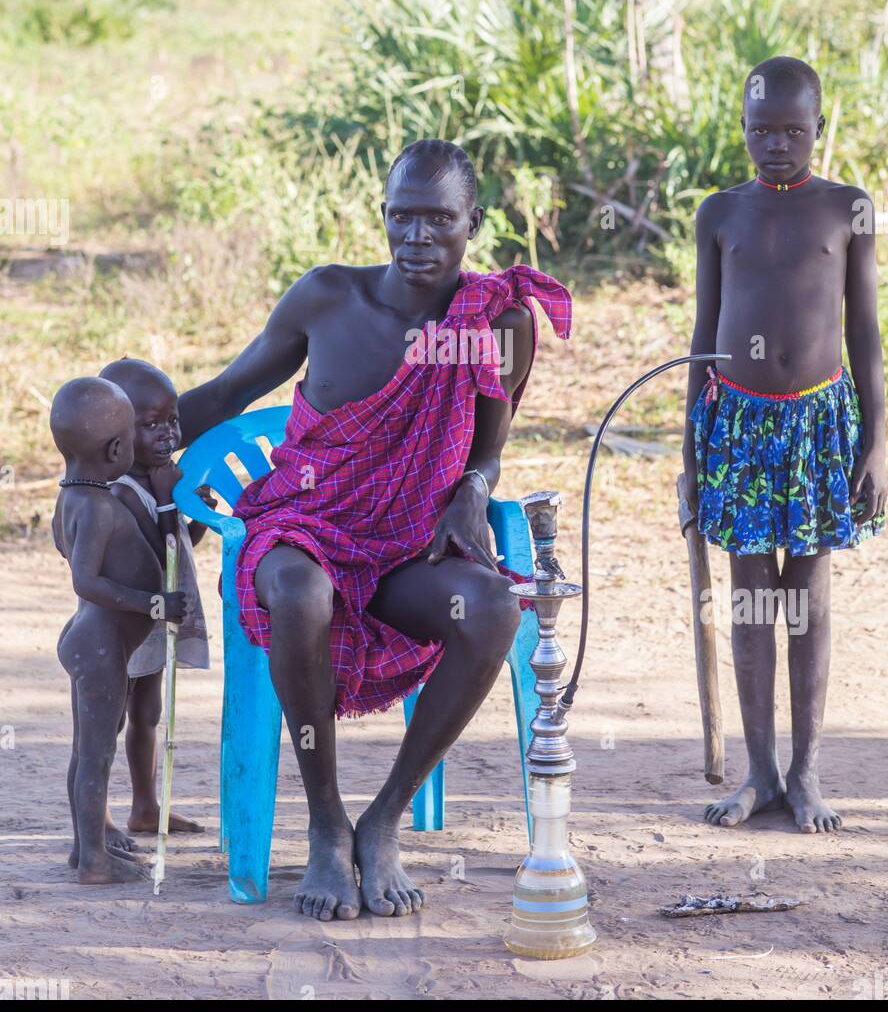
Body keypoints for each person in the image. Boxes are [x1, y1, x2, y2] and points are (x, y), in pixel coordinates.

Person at [178, 138, 571, 919]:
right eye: (403, 217)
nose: (418, 237)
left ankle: (382, 816)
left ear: (474, 222)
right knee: (297, 589)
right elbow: (225, 393)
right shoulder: (328, 299)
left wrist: (474, 488)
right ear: (382, 216)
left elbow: (488, 451)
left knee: (490, 607)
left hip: (405, 548)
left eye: (439, 220)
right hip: (304, 524)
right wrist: (133, 442)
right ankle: (325, 822)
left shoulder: (492, 320)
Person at [683, 56, 886, 835]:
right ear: (740, 129)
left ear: (818, 130)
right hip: (733, 422)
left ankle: (804, 774)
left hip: (818, 423)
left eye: (791, 131)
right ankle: (758, 774)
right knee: (747, 602)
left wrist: (876, 444)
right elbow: (702, 338)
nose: (775, 144)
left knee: (807, 601)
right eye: (760, 130)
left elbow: (863, 333)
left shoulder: (847, 209)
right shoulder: (719, 215)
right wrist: (689, 456)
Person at [51, 377, 187, 884]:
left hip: (96, 640)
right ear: (116, 449)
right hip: (100, 644)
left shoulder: (76, 498)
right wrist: (154, 603)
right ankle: (94, 862)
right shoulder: (97, 506)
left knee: (89, 748)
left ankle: (83, 849)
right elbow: (85, 580)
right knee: (95, 755)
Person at [99, 358, 211, 837]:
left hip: (156, 618)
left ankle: (145, 807)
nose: (167, 433)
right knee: (111, 717)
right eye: (150, 425)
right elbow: (158, 552)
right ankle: (97, 816)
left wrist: (197, 516)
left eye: (173, 420)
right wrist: (168, 501)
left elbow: (181, 544)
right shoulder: (121, 491)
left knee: (149, 710)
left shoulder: (159, 478)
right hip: (126, 621)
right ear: (118, 436)